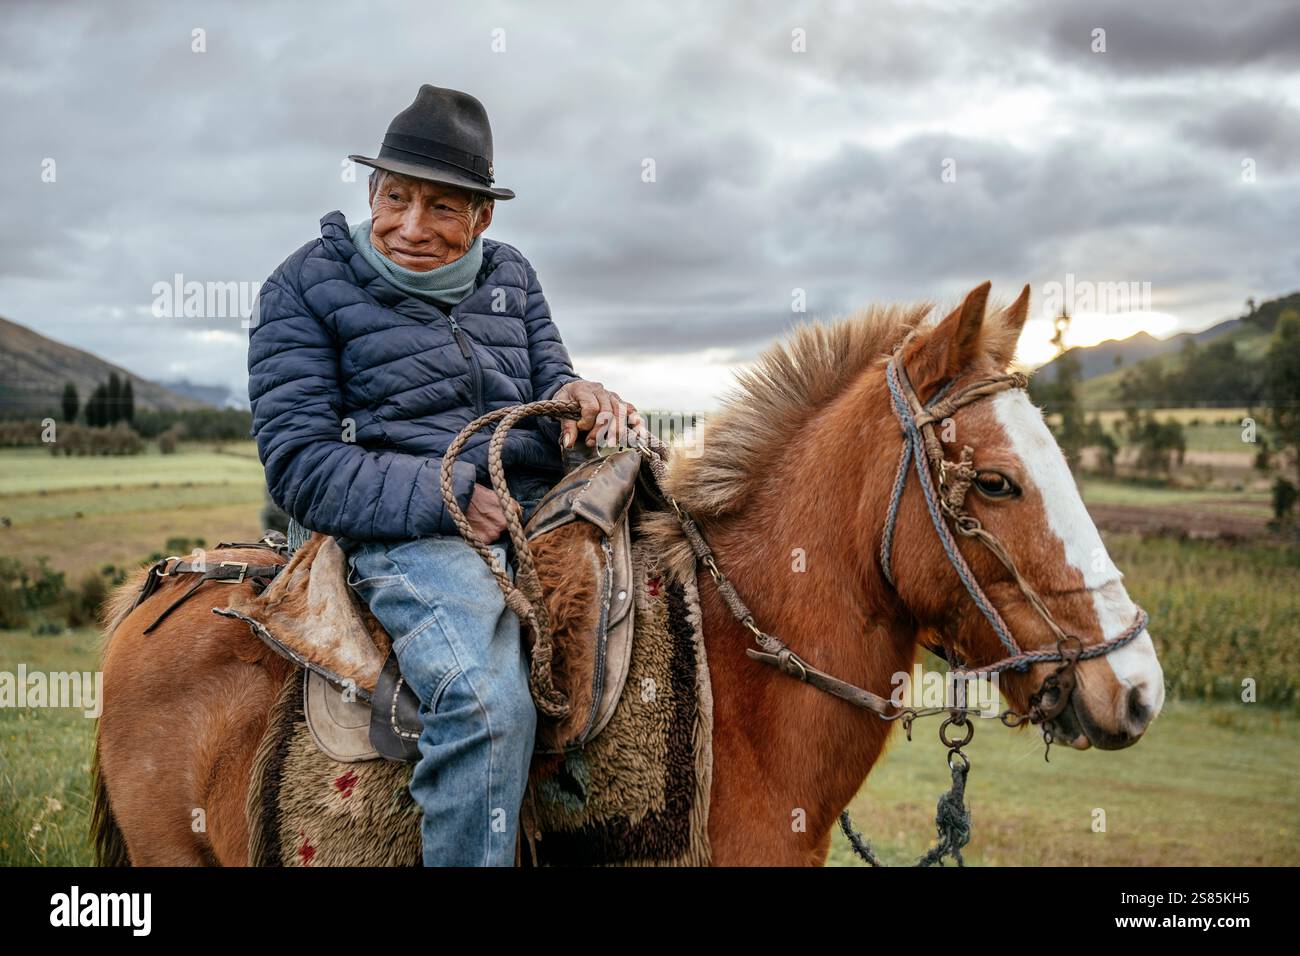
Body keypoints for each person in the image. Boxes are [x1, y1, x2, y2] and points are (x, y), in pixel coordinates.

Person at [248, 84, 641, 865]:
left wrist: (578, 400)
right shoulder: (301, 289)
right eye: (396, 198)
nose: (411, 227)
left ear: (483, 217)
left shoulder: (512, 277)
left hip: (534, 507)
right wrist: (451, 495)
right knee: (486, 705)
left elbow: (549, 384)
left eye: (444, 208)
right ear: (371, 191)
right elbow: (302, 466)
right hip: (397, 530)